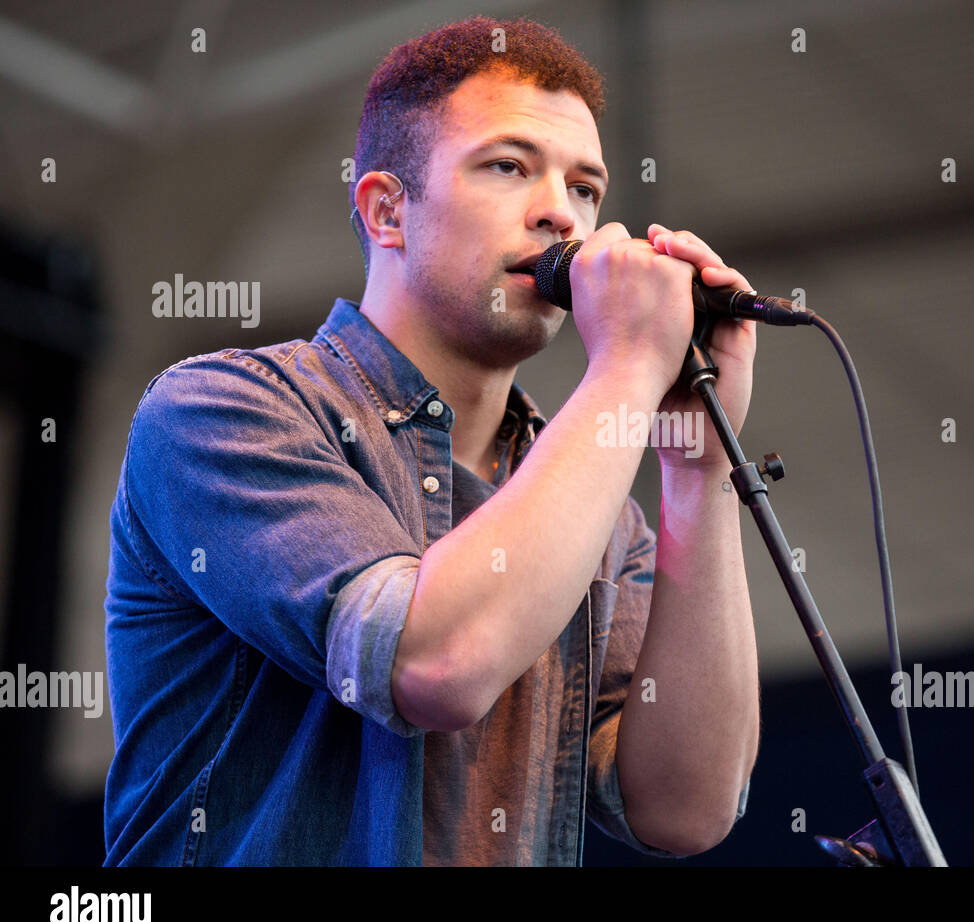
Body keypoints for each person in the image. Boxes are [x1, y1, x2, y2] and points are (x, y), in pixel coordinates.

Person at [103, 15, 759, 866]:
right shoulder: (218, 410)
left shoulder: (608, 528)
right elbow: (435, 667)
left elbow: (686, 808)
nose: (563, 213)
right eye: (509, 166)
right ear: (387, 210)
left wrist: (697, 465)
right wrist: (630, 369)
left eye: (587, 188)